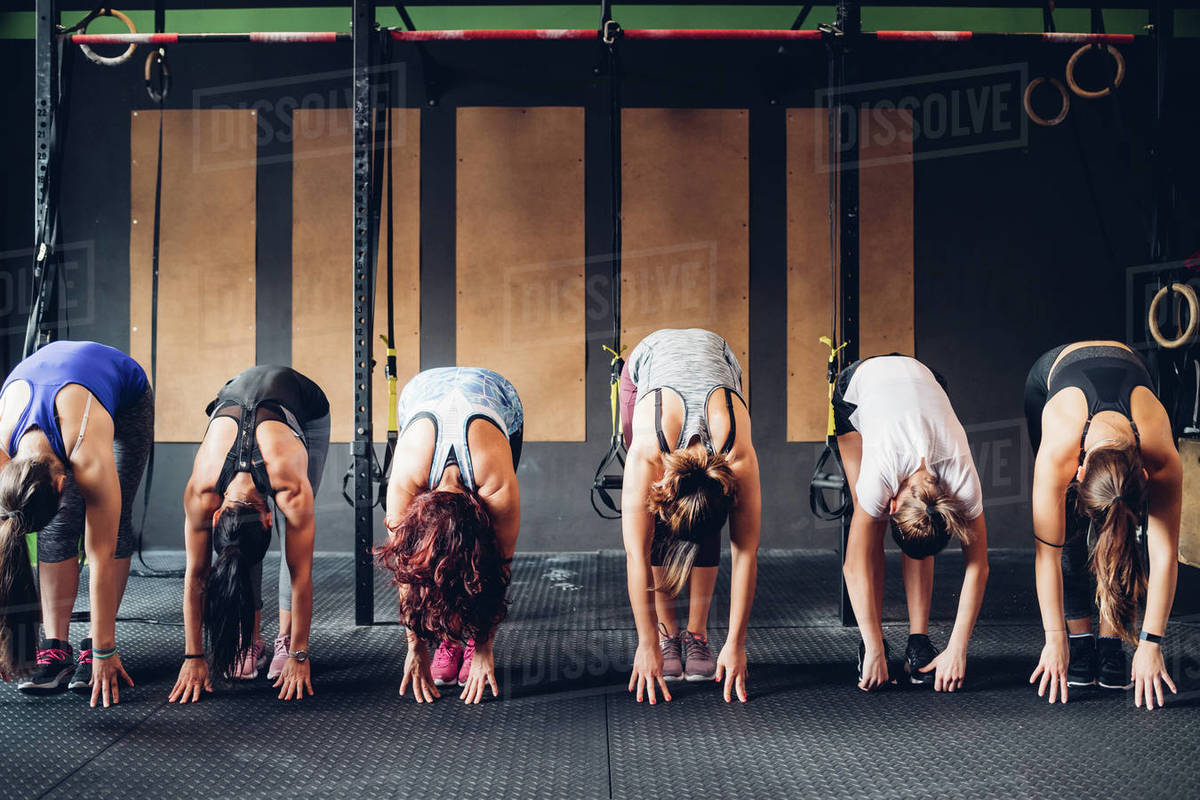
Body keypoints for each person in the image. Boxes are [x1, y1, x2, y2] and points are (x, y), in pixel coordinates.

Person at [1024, 341, 1181, 709]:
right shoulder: (1059, 451)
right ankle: (1080, 640)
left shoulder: (1161, 454)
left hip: (1132, 378)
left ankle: (1112, 641)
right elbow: (1046, 555)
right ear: (1077, 474)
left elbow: (1164, 556)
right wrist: (1054, 637)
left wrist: (1150, 642)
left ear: (1145, 473)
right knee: (1070, 528)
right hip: (1051, 374)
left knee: (1121, 528)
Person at [0, 340, 153, 707]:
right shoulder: (3, 452)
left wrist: (104, 651)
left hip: (124, 394)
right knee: (55, 527)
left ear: (61, 482)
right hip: (43, 386)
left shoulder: (87, 452)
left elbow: (99, 554)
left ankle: (91, 647)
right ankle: (55, 646)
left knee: (112, 524)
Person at [169, 366, 330, 704]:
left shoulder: (290, 485)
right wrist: (192, 657)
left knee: (296, 538)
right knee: (237, 548)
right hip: (233, 397)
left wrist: (300, 655)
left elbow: (302, 575)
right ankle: (249, 636)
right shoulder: (202, 487)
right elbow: (196, 576)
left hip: (305, 404)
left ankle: (285, 638)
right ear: (215, 516)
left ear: (271, 518)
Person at [619, 328, 761, 705]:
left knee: (703, 512)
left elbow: (746, 552)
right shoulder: (648, 451)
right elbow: (636, 552)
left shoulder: (737, 453)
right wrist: (645, 642)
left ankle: (696, 634)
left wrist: (736, 644)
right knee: (655, 524)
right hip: (647, 363)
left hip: (720, 356)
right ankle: (668, 635)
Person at [834, 354, 989, 692]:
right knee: (867, 515)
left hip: (926, 378)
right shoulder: (880, 480)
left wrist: (958, 649)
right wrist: (874, 649)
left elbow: (978, 566)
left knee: (923, 525)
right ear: (893, 505)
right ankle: (871, 641)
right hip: (858, 385)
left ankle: (918, 642)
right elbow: (852, 565)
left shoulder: (961, 481)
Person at [377, 367, 522, 705]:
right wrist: (415, 647)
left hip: (496, 393)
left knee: (473, 571)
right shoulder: (405, 480)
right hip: (421, 392)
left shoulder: (496, 483)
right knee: (431, 573)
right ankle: (448, 637)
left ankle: (467, 641)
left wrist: (485, 647)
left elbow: (499, 567)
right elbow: (406, 571)